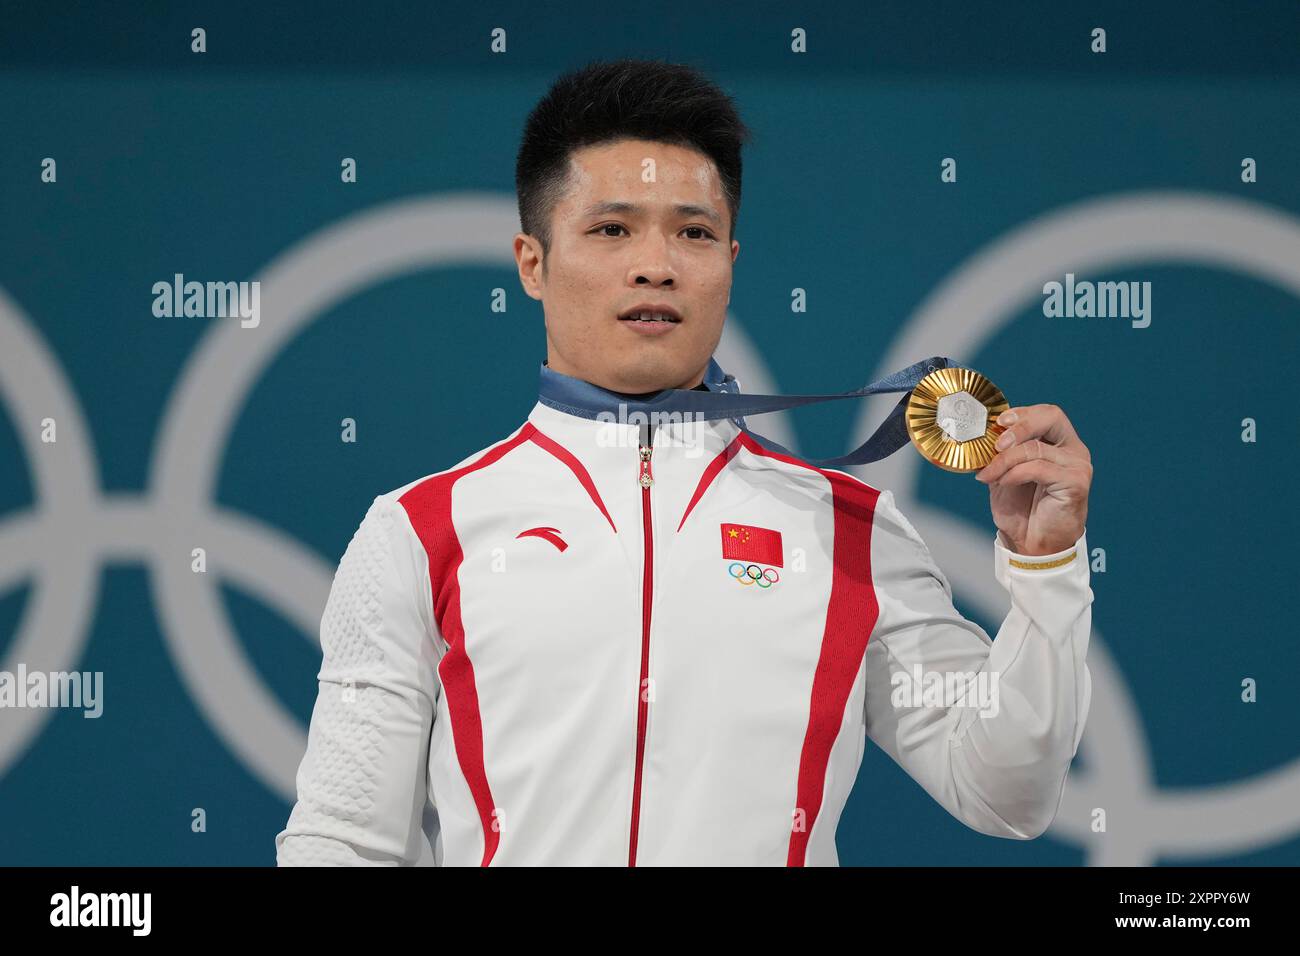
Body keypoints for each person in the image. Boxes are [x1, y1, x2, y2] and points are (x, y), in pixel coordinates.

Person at [275, 58, 1094, 866]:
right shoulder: (420, 532)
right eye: (611, 228)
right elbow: (343, 841)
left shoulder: (848, 533)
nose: (656, 264)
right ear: (533, 263)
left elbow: (1007, 794)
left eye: (693, 232)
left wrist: (1046, 569)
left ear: (730, 266)